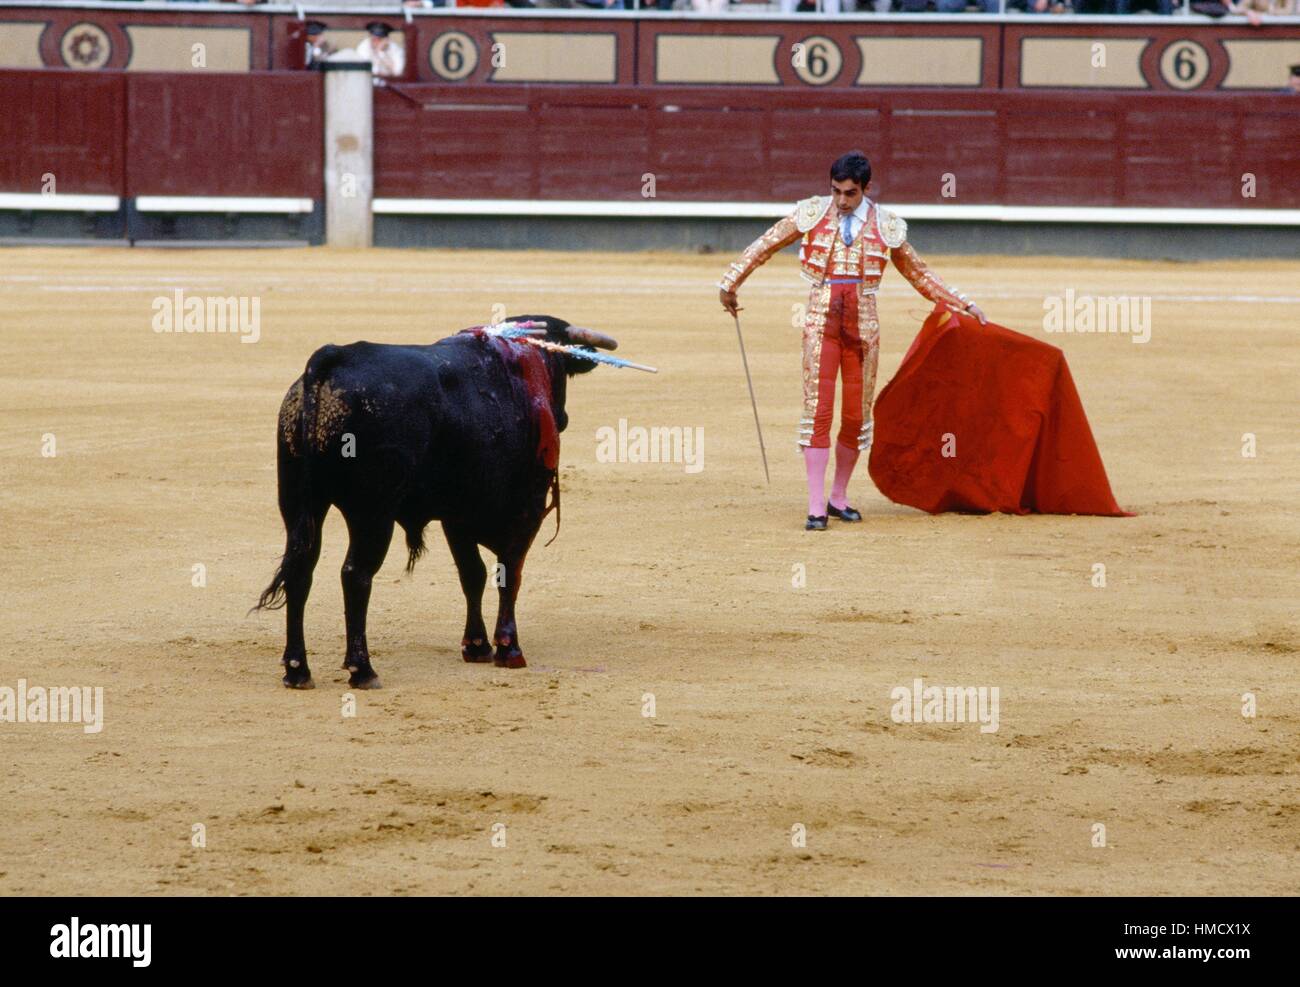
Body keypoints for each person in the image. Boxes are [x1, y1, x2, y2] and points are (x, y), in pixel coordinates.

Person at [717, 151, 986, 531]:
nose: (841, 201)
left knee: (856, 417)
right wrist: (730, 282)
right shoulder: (813, 213)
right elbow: (767, 244)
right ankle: (815, 506)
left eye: (849, 193)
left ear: (866, 189)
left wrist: (965, 303)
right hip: (820, 324)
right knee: (818, 412)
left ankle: (838, 497)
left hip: (863, 330)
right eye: (836, 191)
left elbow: (921, 276)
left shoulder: (886, 226)